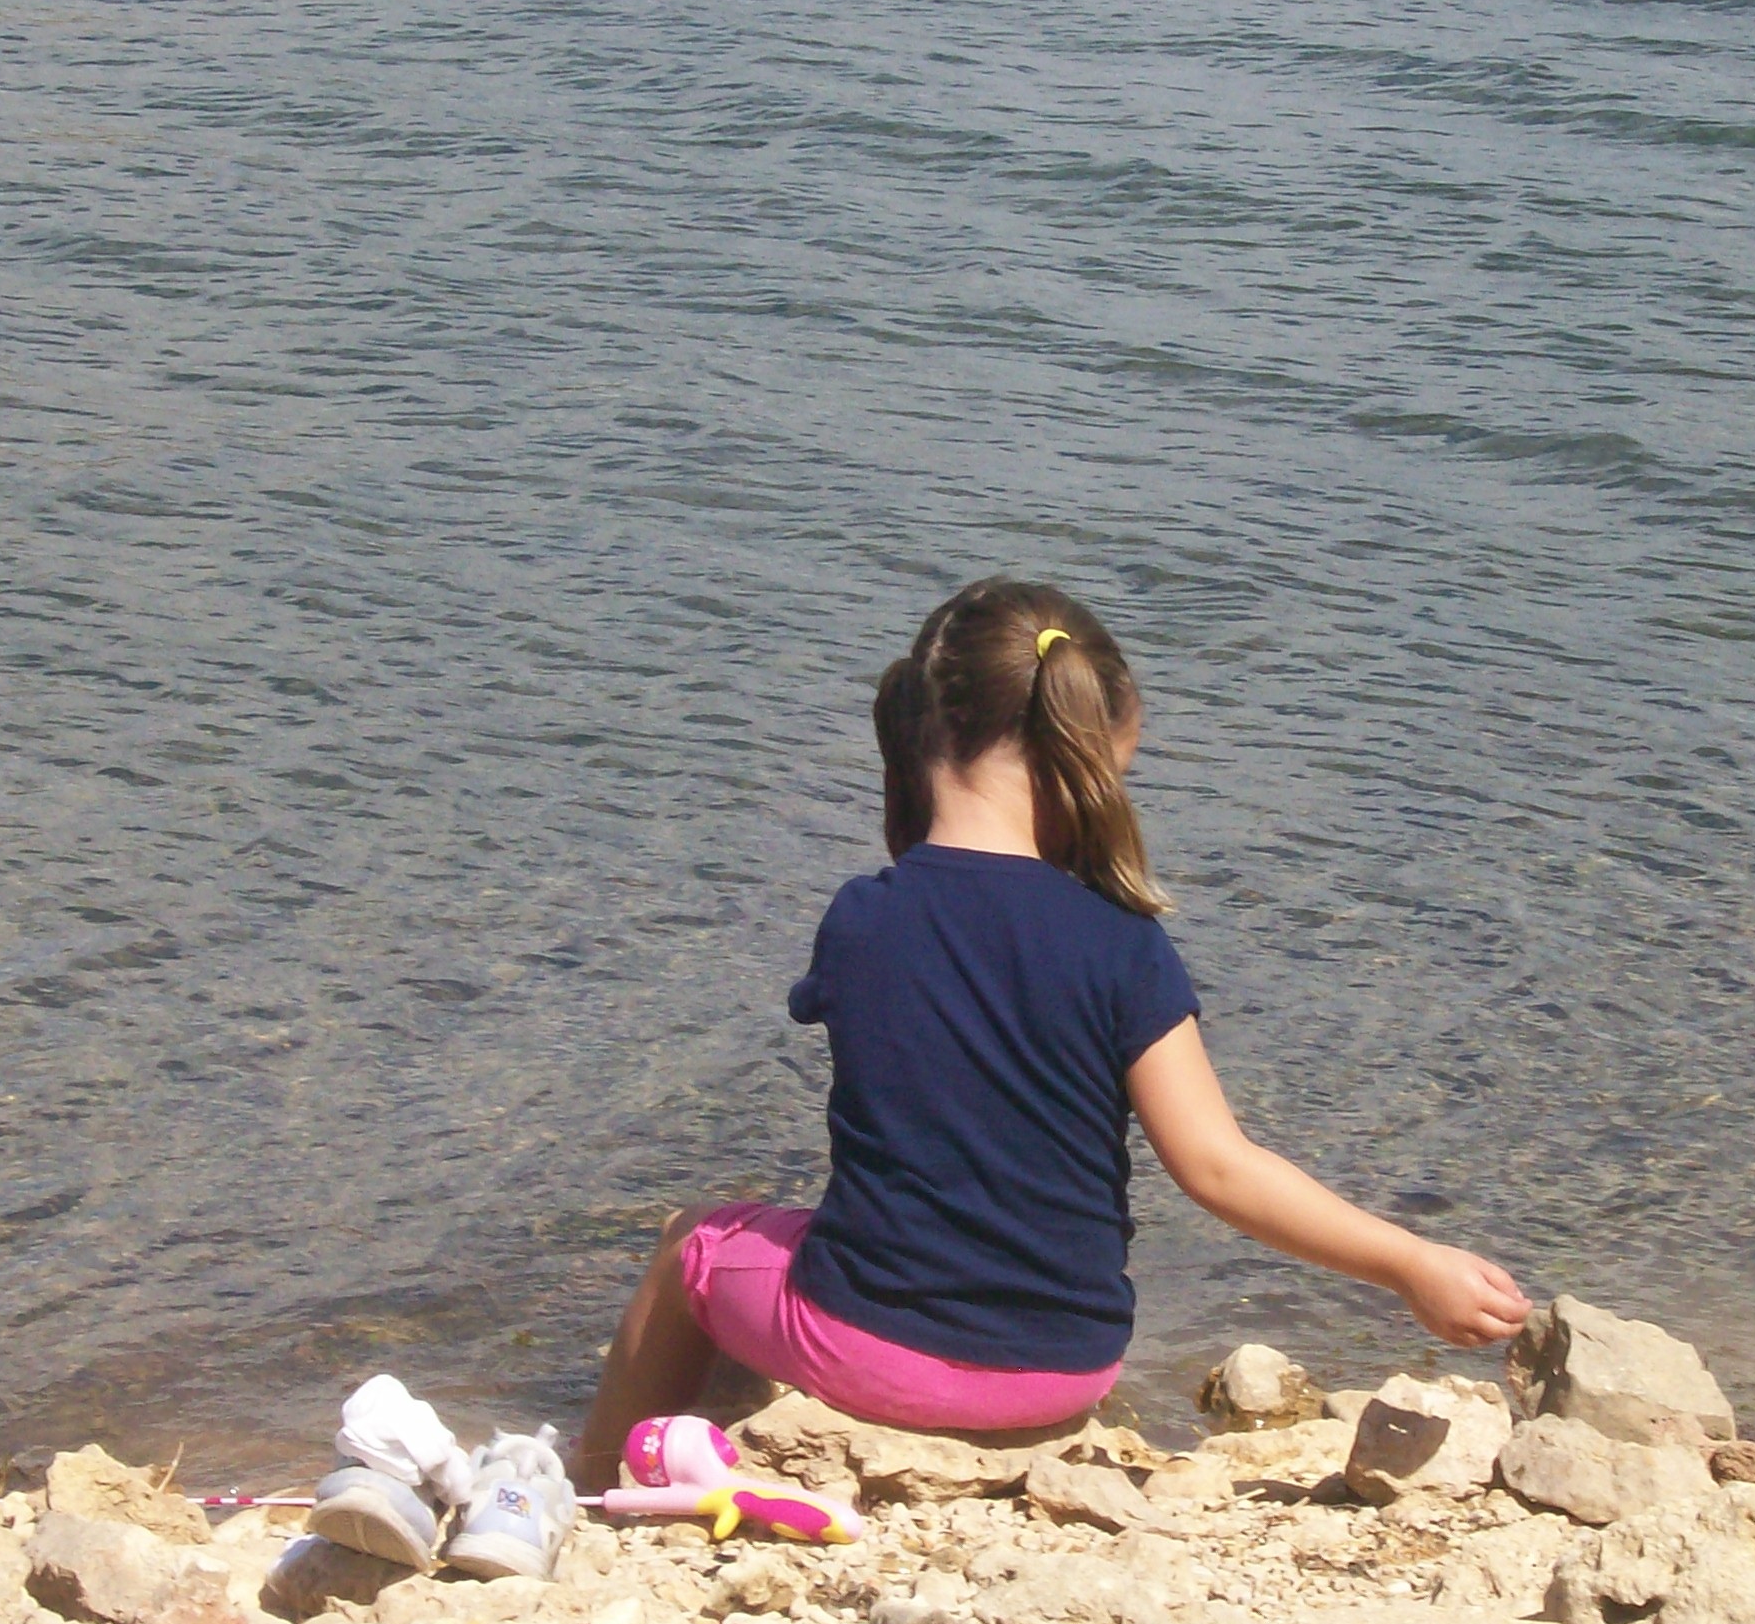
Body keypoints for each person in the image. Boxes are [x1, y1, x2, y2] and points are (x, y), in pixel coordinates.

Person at [570, 578, 1529, 1493]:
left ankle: (587, 1483)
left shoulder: (864, 918)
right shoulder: (1124, 943)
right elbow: (1219, 1168)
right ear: (1082, 758)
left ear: (918, 729)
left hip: (872, 1354)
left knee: (695, 1243)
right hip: (1065, 1368)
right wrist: (1411, 1263)